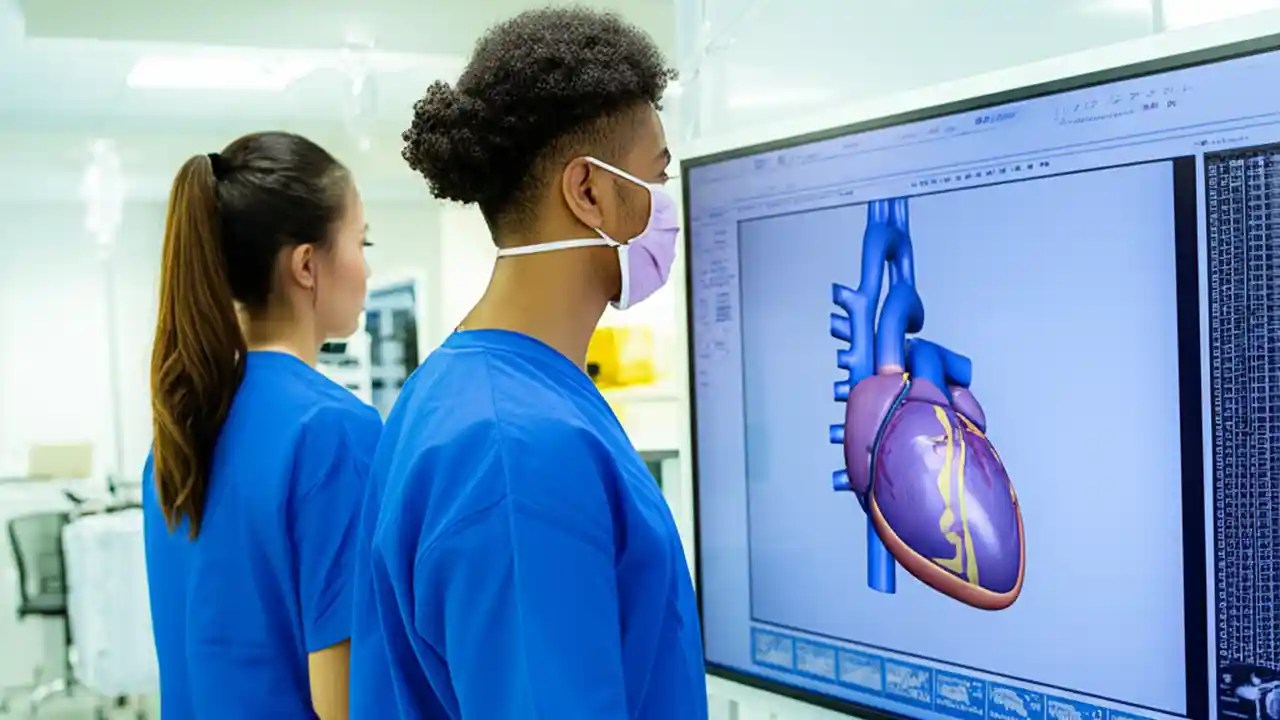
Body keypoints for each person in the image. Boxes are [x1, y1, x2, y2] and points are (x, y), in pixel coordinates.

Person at [349, 7, 706, 720]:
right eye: (657, 177)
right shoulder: (518, 448)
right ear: (590, 192)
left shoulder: (462, 391)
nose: (667, 208)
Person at [142, 131, 379, 719]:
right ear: (306, 265)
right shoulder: (334, 430)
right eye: (361, 241)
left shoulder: (180, 430)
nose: (368, 268)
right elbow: (345, 702)